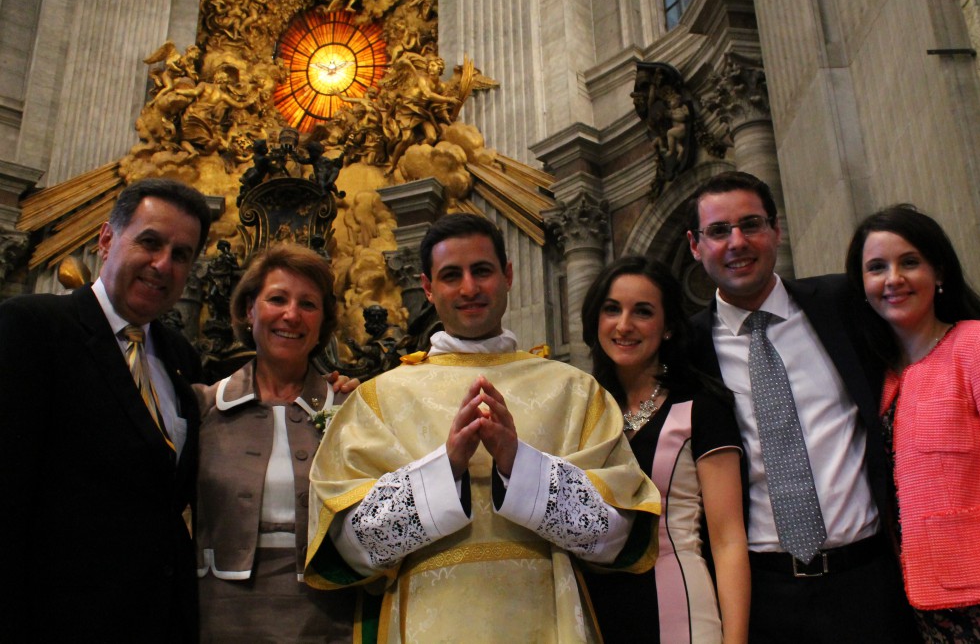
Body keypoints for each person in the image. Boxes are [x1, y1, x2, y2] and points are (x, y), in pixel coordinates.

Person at [305, 213, 661, 642]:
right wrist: (447, 467)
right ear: (427, 288)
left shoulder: (573, 391)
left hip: (548, 619)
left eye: (482, 271)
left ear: (508, 276)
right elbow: (350, 546)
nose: (469, 288)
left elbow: (616, 534)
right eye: (451, 275)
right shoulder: (378, 400)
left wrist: (518, 464)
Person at [685, 171, 919, 643]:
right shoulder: (685, 348)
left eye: (751, 224)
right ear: (695, 245)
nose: (737, 242)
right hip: (765, 595)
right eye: (718, 231)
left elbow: (930, 332)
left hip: (871, 579)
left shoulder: (842, 303)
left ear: (777, 229)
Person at [0, 178, 211, 642]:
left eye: (181, 255)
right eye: (150, 242)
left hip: (156, 622)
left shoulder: (180, 357)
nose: (163, 265)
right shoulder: (33, 328)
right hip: (57, 620)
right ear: (106, 238)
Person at [844, 204, 980, 642]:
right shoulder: (879, 377)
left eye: (909, 262)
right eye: (876, 268)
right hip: (924, 612)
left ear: (939, 272)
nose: (893, 279)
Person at [580, 256, 750, 643]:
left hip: (680, 607)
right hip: (595, 613)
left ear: (669, 327)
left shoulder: (702, 408)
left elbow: (728, 541)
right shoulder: (583, 414)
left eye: (642, 312)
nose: (624, 325)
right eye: (612, 310)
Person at [194, 243, 358, 641]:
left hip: (328, 620)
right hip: (221, 617)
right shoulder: (202, 406)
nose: (291, 315)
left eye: (308, 304)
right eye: (277, 299)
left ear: (323, 323)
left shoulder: (353, 409)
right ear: (249, 310)